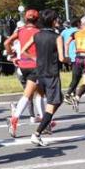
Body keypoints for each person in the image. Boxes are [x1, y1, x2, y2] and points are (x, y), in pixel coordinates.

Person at [23, 9, 65, 145]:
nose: (58, 21)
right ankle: (38, 133)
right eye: (56, 19)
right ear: (53, 21)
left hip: (39, 73)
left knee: (59, 99)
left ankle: (46, 120)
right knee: (51, 105)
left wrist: (34, 57)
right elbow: (62, 58)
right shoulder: (57, 37)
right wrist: (69, 59)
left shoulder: (37, 35)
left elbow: (24, 50)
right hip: (52, 74)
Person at [5, 9, 43, 137]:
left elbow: (6, 42)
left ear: (26, 19)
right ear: (37, 20)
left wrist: (12, 56)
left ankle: (45, 120)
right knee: (31, 94)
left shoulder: (20, 31)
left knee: (38, 92)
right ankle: (14, 119)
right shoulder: (38, 32)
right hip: (35, 65)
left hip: (23, 65)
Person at [65, 16, 85, 110]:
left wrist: (67, 55)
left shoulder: (76, 33)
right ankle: (76, 98)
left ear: (81, 23)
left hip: (77, 58)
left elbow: (67, 43)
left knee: (79, 81)